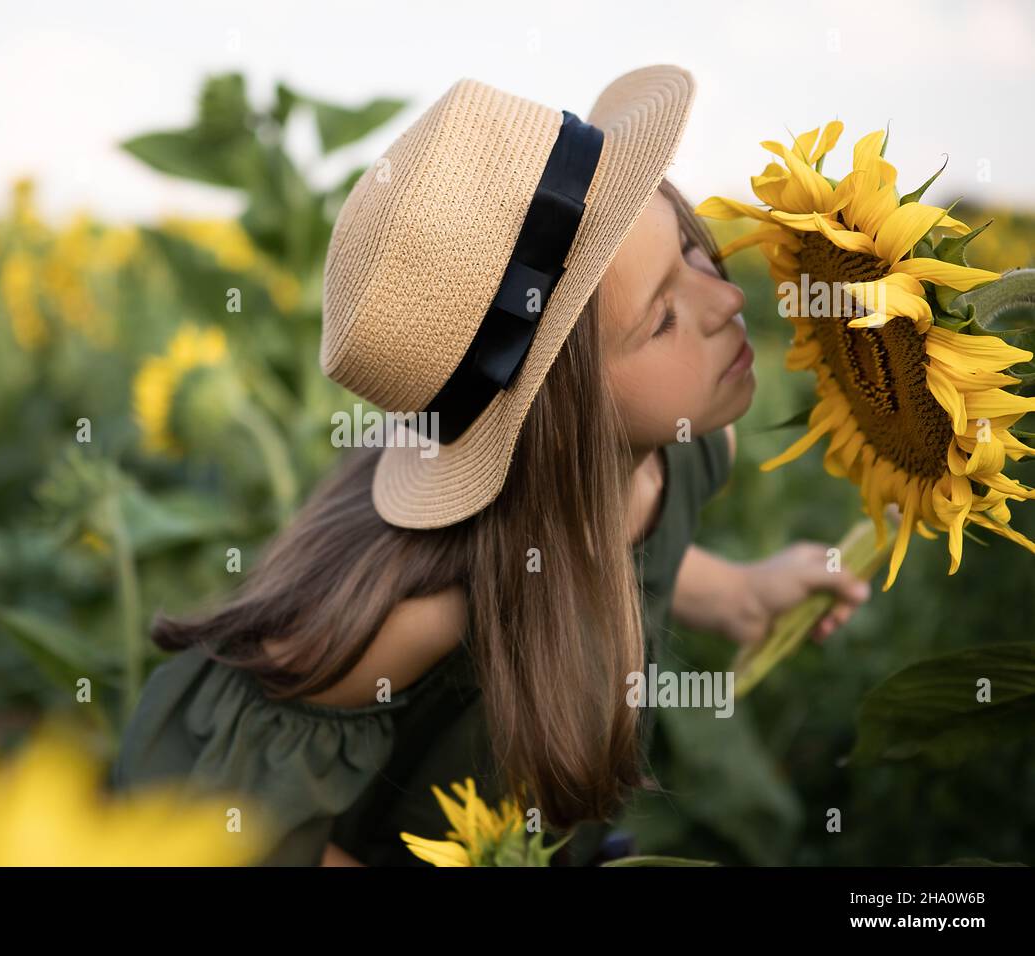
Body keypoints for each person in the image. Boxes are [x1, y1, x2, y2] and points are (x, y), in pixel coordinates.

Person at [110, 66, 871, 866]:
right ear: (564, 418)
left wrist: (738, 593)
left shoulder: (683, 455)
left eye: (692, 250)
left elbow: (618, 546)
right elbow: (216, 816)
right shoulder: (421, 612)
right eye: (663, 319)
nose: (726, 300)